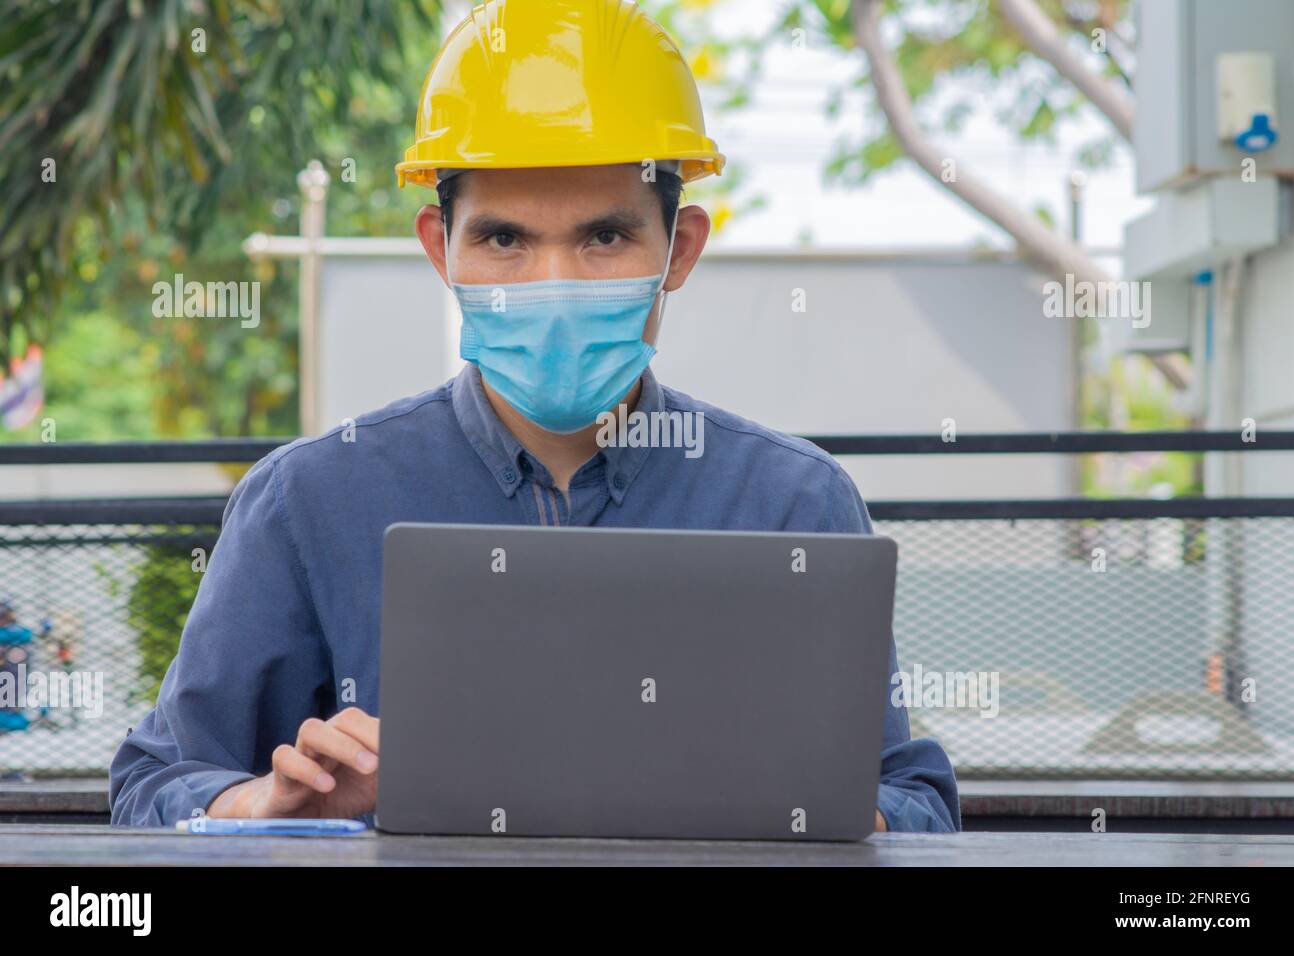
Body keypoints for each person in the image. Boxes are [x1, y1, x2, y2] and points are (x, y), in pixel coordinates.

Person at [110, 0, 960, 833]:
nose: (551, 284)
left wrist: (835, 814)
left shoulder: (792, 505)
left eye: (603, 237)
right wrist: (260, 803)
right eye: (506, 240)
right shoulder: (307, 502)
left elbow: (913, 800)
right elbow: (155, 781)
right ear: (442, 249)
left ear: (681, 248)